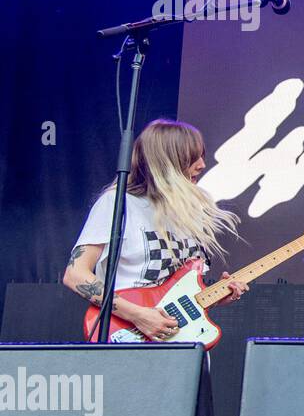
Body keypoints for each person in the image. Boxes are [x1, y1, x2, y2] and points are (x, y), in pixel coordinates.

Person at [63, 118, 248, 341]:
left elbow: (177, 288)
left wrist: (215, 295)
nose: (201, 164)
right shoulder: (118, 203)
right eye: (192, 158)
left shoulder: (190, 212)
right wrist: (138, 315)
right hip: (126, 334)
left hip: (182, 343)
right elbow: (75, 275)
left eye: (202, 156)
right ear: (167, 163)